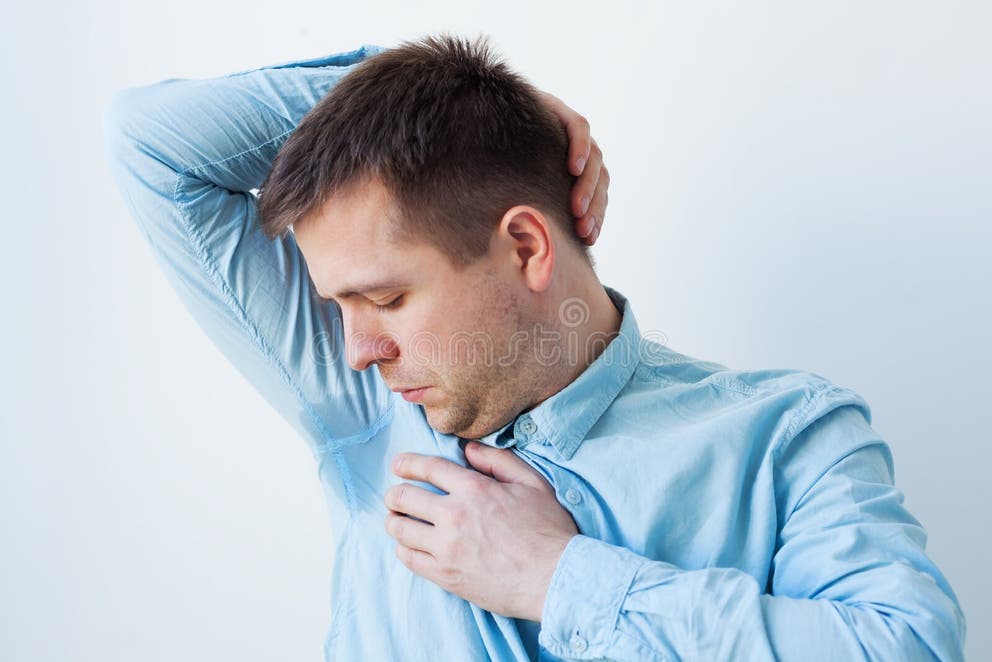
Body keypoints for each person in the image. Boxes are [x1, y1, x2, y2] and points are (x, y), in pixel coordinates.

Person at [103, 34, 965, 661]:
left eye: (388, 298)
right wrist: (452, 105)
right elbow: (151, 143)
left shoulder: (788, 435)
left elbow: (910, 648)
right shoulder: (361, 400)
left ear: (525, 247)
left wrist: (560, 579)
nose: (358, 348)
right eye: (338, 308)